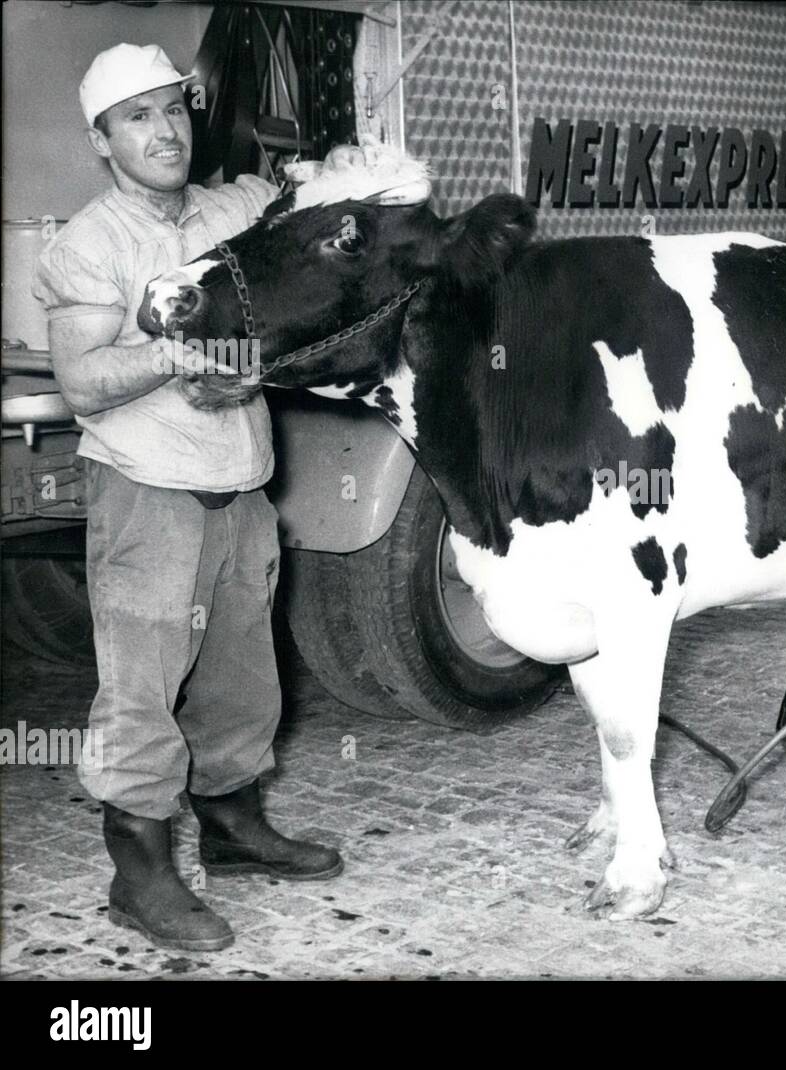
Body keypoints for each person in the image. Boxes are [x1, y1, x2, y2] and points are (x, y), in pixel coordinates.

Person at [33, 43, 341, 953]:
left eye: (173, 108)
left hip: (242, 487)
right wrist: (178, 354)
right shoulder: (89, 245)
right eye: (138, 117)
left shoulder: (229, 208)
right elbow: (83, 383)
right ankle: (139, 872)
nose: (163, 130)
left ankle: (235, 828)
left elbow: (298, 213)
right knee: (143, 689)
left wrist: (317, 177)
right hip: (148, 494)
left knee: (243, 680)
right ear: (102, 140)